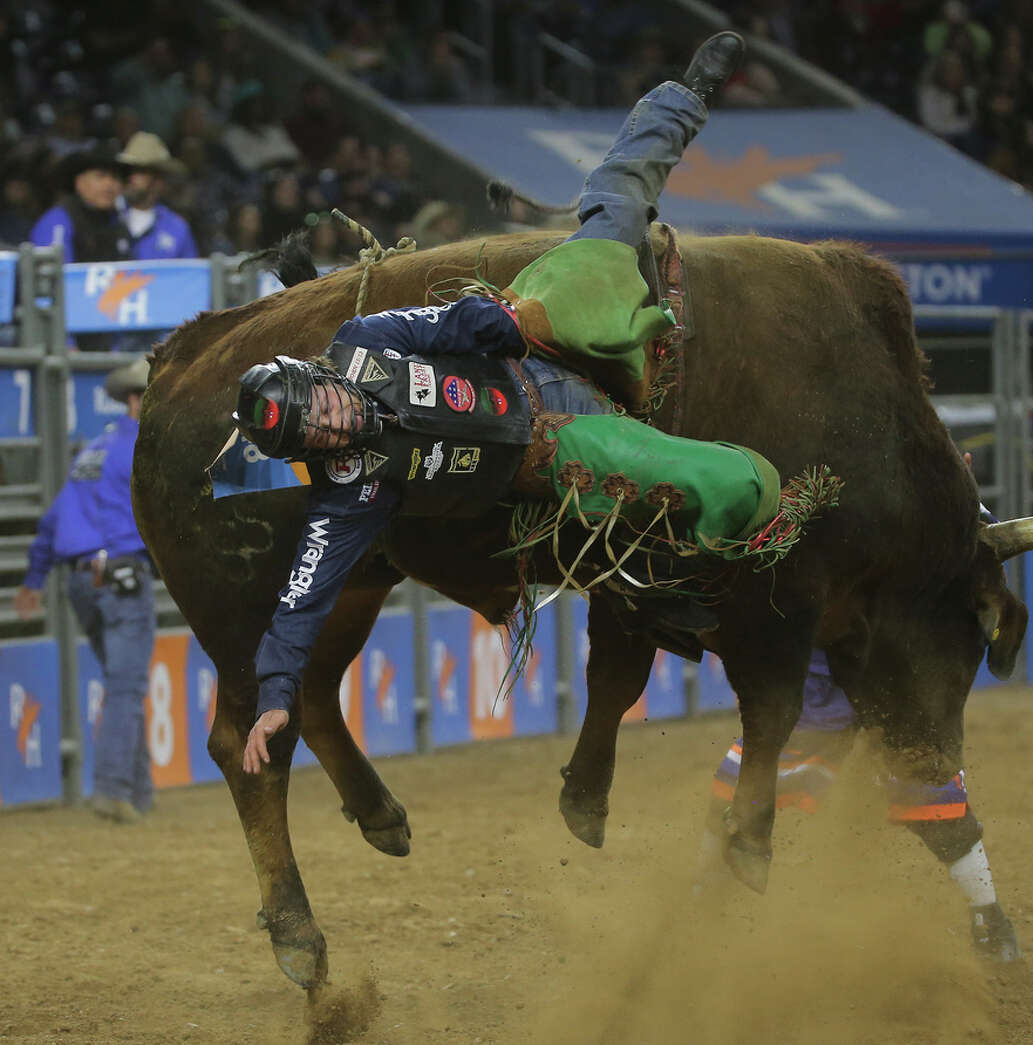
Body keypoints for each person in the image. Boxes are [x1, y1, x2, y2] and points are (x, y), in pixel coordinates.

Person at [233, 32, 834, 774]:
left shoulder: (363, 342)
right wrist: (273, 692)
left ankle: (686, 94)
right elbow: (301, 600)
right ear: (312, 453)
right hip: (554, 452)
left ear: (317, 376)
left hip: (538, 346)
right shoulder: (349, 493)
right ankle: (728, 565)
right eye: (315, 434)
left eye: (317, 403)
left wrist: (507, 321)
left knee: (615, 197)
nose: (329, 421)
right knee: (726, 484)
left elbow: (446, 324)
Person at [697, 645, 1021, 961]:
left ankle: (988, 917)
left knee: (932, 797)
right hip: (827, 698)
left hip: (880, 694)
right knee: (736, 792)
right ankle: (701, 906)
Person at [14, 359, 156, 824]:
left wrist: (35, 578)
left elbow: (54, 519)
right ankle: (114, 789)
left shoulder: (93, 449)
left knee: (122, 681)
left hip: (80, 578)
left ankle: (137, 791)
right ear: (141, 399)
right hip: (120, 575)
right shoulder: (145, 449)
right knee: (126, 685)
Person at [30, 149, 130, 265]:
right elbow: (55, 275)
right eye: (100, 176)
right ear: (79, 183)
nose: (109, 185)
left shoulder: (118, 220)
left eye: (115, 177)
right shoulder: (58, 220)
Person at [116, 132, 198, 261]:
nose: (130, 177)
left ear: (158, 181)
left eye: (140, 171)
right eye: (128, 170)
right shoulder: (108, 216)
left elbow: (189, 277)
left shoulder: (176, 227)